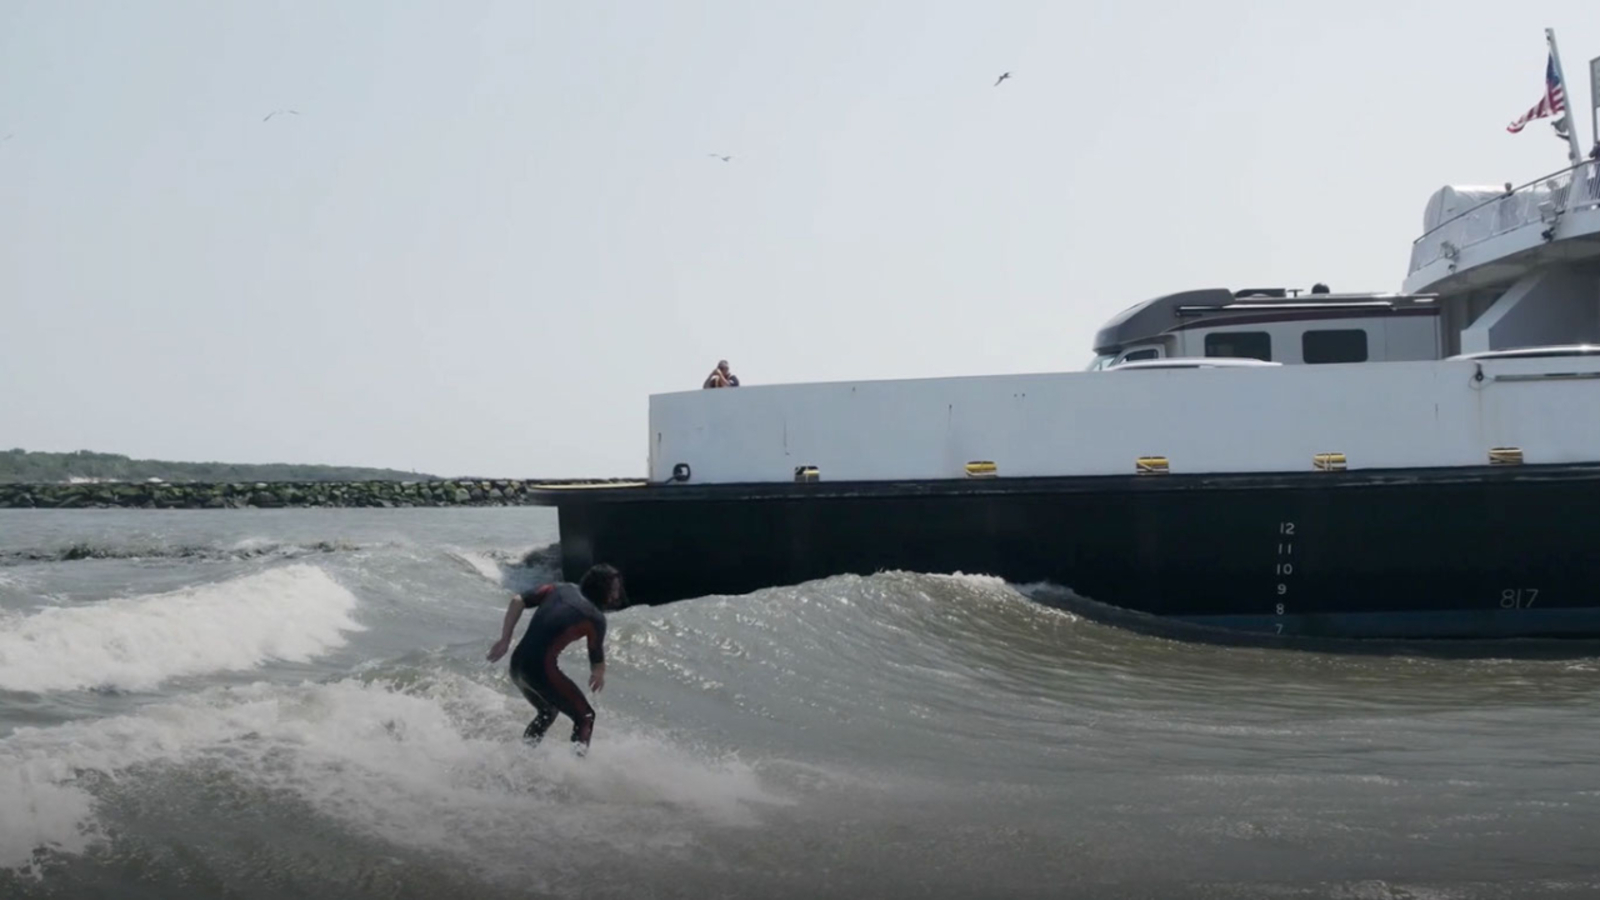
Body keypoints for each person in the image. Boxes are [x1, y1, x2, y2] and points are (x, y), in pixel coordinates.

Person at [486, 563, 626, 752]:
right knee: (585, 717)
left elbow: (518, 600)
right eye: (614, 590)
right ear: (603, 590)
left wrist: (505, 640)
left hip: (517, 664)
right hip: (539, 670)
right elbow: (596, 658)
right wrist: (598, 674)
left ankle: (523, 756)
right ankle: (577, 766)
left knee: (548, 711)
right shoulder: (595, 618)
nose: (616, 596)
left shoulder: (559, 587)